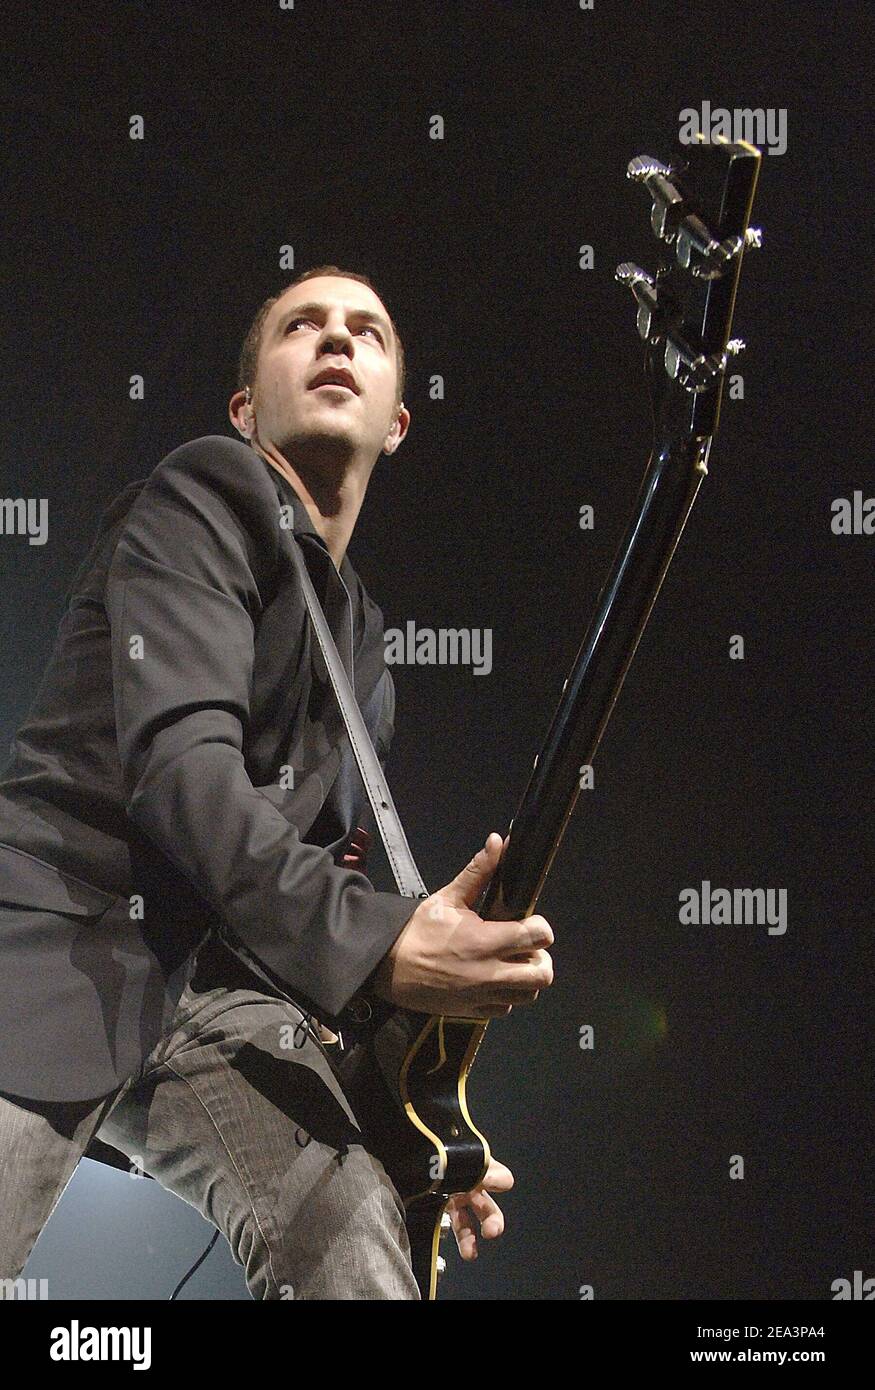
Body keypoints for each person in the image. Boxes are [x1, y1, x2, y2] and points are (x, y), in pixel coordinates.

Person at [0, 266, 554, 1299]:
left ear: (397, 421)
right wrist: (387, 939)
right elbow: (182, 776)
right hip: (54, 940)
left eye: (365, 332)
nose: (336, 341)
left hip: (211, 1000)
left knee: (351, 1233)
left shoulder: (361, 643)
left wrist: (408, 1131)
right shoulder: (203, 492)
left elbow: (301, 898)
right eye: (303, 326)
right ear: (246, 407)